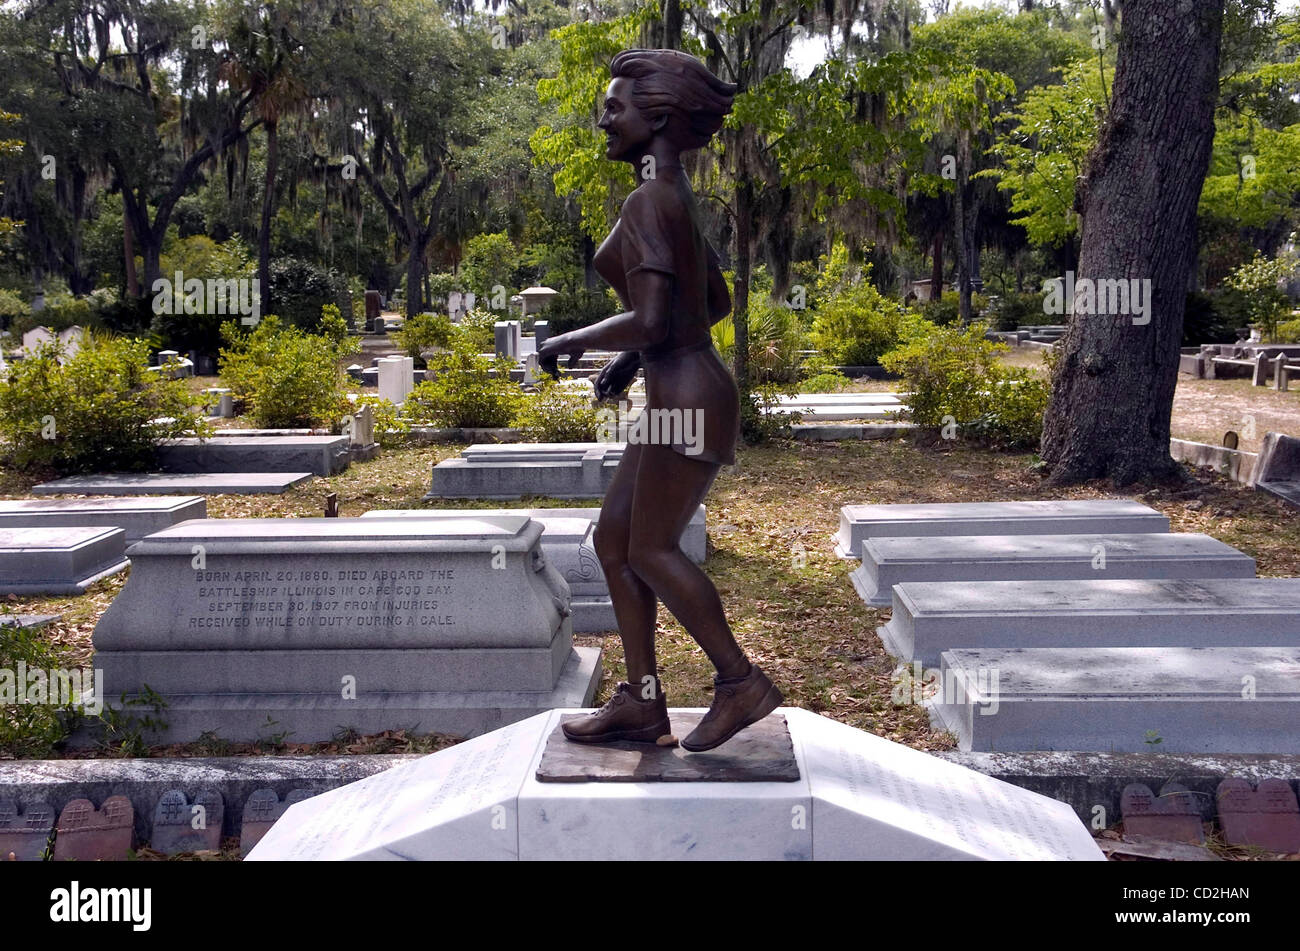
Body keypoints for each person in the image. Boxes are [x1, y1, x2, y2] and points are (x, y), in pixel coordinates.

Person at [537, 48, 783, 752]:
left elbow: (655, 317)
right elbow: (713, 301)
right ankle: (641, 702)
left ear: (659, 116)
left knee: (648, 546)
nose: (604, 119)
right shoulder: (671, 195)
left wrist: (568, 342)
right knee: (615, 541)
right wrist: (628, 358)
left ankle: (740, 681)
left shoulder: (650, 198)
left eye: (616, 108)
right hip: (680, 385)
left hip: (687, 395)